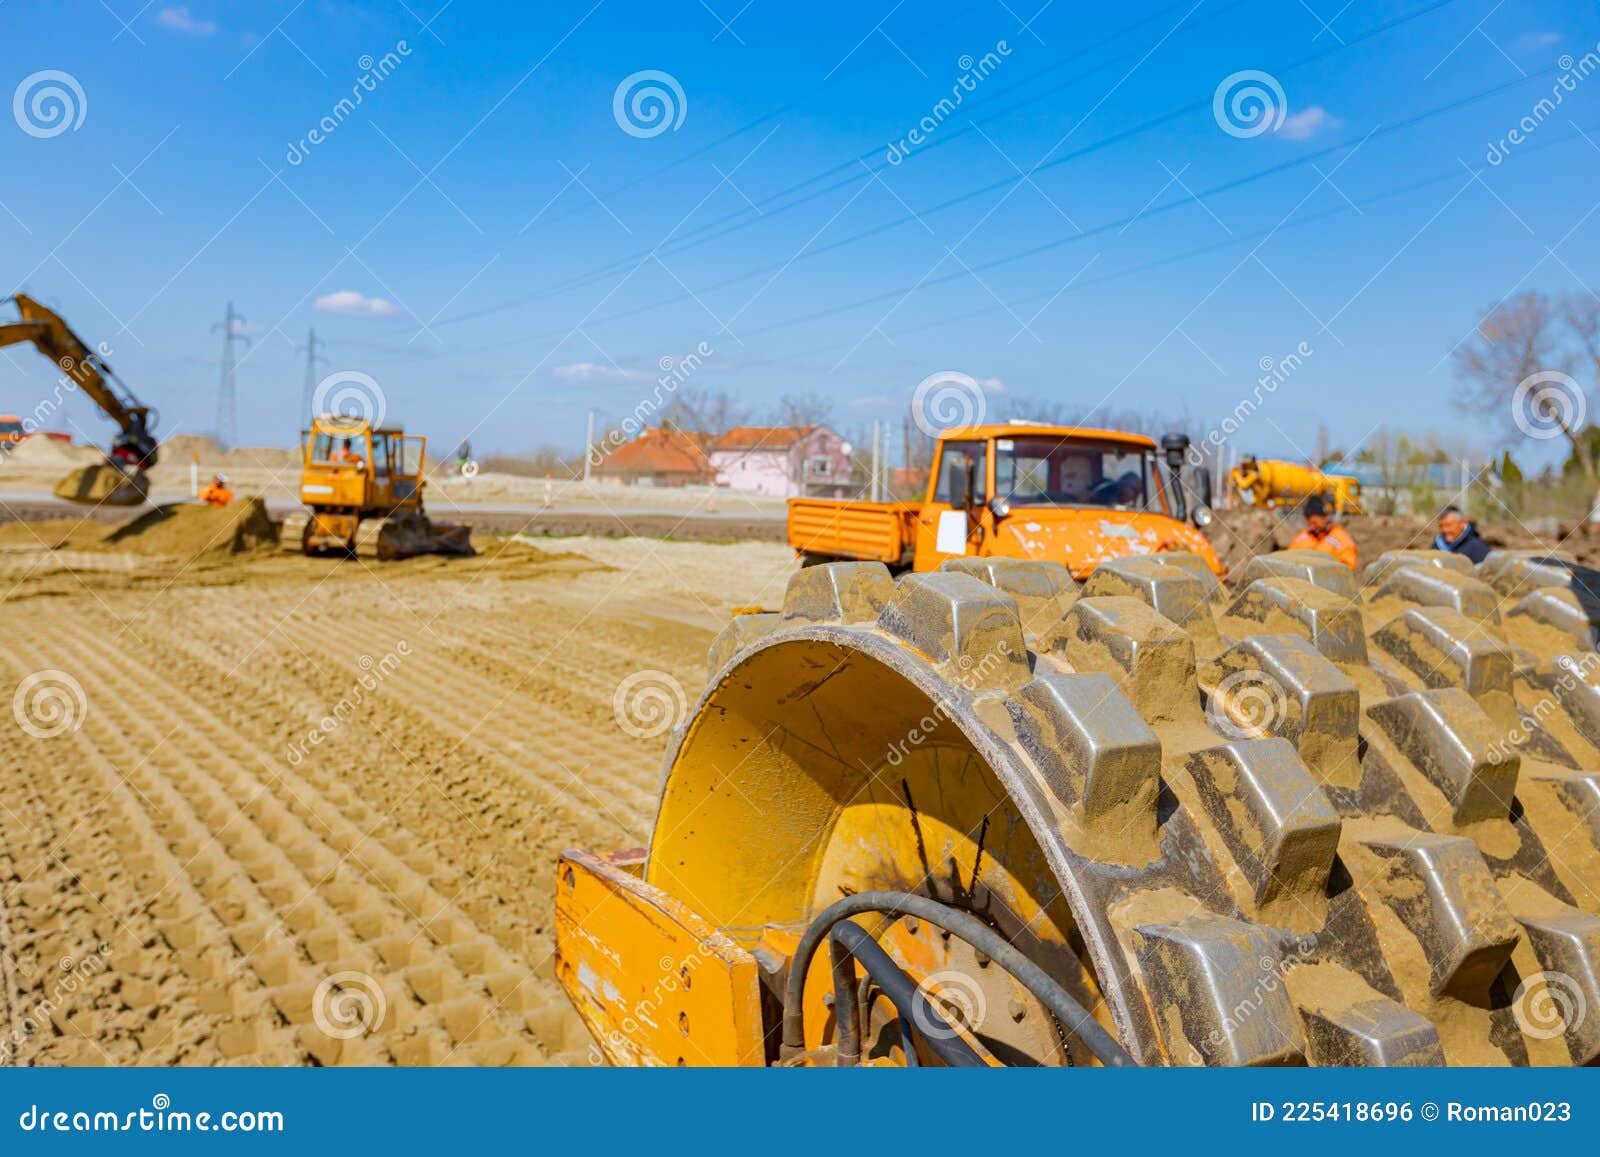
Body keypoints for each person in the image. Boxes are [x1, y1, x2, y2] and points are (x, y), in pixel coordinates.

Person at [1289, 494, 1357, 569]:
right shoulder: (1303, 537)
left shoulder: (1341, 537)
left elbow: (1348, 566)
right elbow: (1288, 559)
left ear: (1325, 518)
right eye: (1309, 523)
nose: (1311, 527)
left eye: (1314, 523)